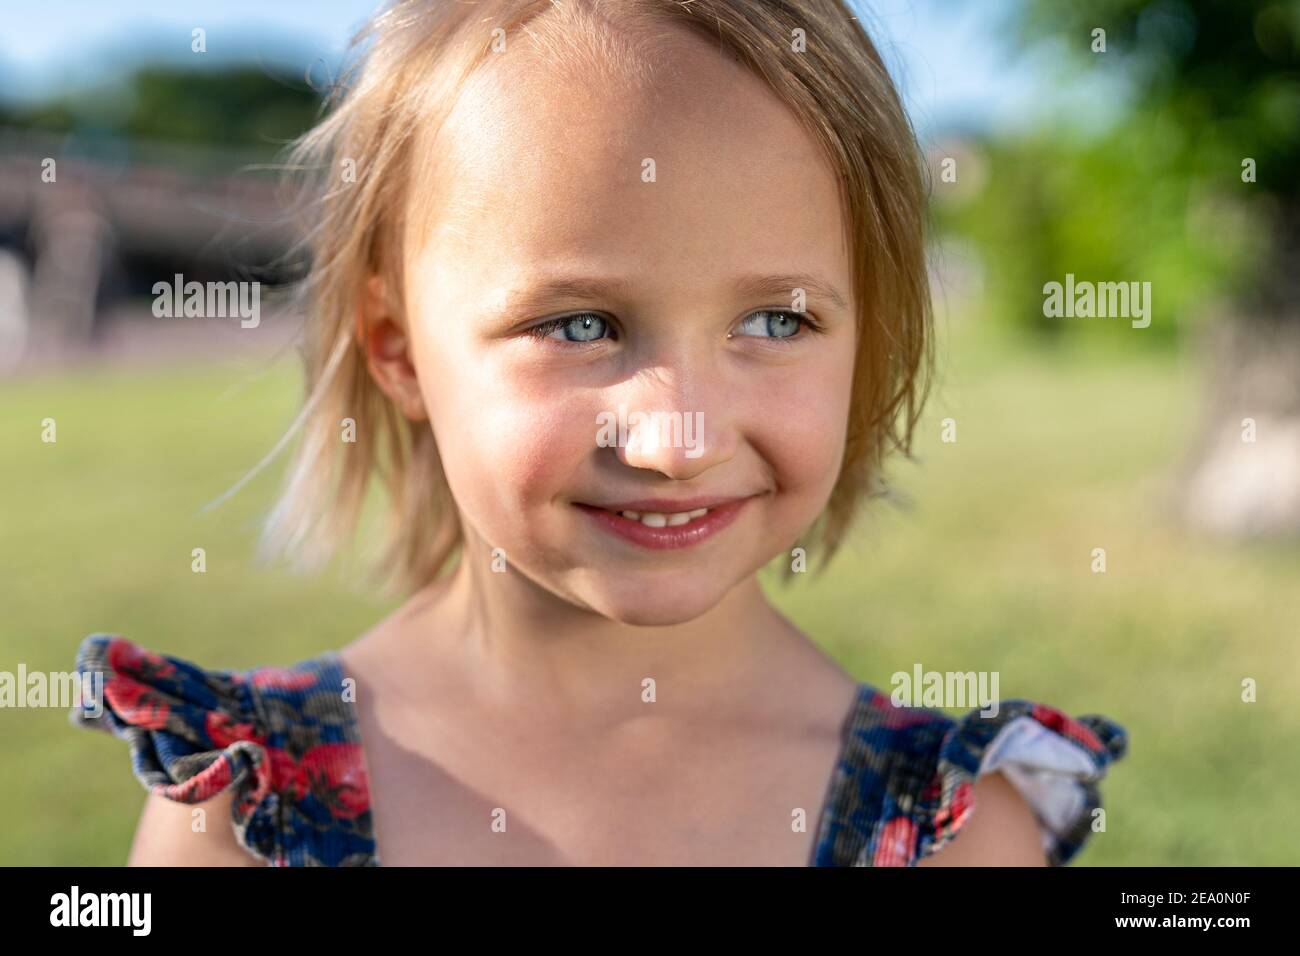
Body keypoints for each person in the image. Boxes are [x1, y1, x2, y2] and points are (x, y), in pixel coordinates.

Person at [71, 0, 1126, 867]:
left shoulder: (954, 833)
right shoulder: (237, 814)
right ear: (397, 349)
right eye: (579, 324)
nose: (675, 439)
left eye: (775, 320)